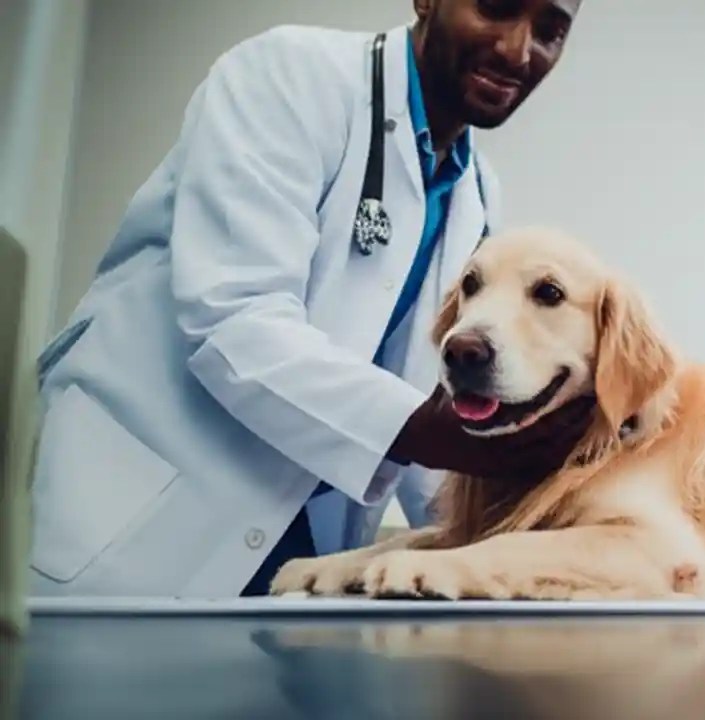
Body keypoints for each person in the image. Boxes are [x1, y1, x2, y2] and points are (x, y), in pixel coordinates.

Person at [27, 0, 595, 598]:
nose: (516, 50)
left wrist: (523, 523)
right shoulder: (290, 78)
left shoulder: (475, 194)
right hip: (134, 516)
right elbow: (234, 319)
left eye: (550, 31)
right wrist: (423, 432)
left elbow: (437, 402)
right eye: (497, 7)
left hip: (294, 541)